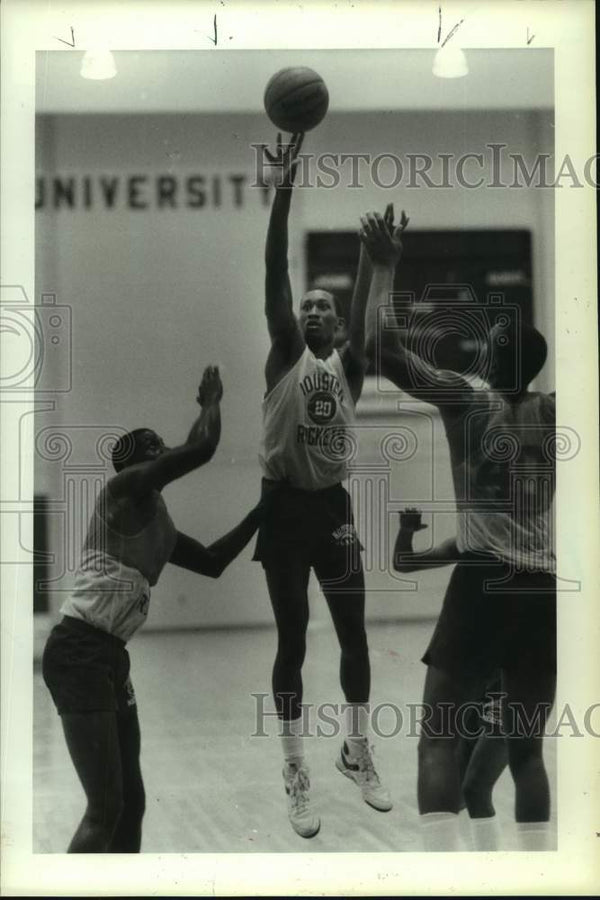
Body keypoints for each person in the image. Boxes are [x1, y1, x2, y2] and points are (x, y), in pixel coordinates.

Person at [361, 210, 556, 851]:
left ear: (494, 353)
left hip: (483, 579)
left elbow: (382, 352)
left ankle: (444, 876)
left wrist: (386, 267)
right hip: (544, 587)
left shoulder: (469, 398)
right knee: (526, 752)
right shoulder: (556, 413)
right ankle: (534, 877)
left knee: (439, 736)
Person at [42, 366, 265, 852]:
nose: (166, 451)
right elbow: (200, 449)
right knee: (103, 808)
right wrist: (211, 401)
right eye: (157, 446)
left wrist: (262, 511)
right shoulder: (122, 493)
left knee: (132, 803)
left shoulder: (159, 519)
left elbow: (211, 561)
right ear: (141, 462)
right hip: (78, 651)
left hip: (111, 656)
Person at [254, 133, 392, 838]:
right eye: (304, 305)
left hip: (332, 509)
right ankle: (295, 769)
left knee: (354, 636)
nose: (310, 311)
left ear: (335, 328)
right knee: (292, 641)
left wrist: (371, 257)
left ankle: (358, 747)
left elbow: (368, 313)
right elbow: (275, 264)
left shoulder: (349, 368)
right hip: (283, 512)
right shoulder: (283, 353)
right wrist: (283, 187)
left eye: (322, 308)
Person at [394, 508, 508, 850]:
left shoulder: (500, 548)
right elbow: (404, 561)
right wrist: (406, 532)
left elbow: (403, 563)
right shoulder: (477, 544)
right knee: (468, 788)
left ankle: (475, 871)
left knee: (469, 784)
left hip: (493, 658)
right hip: (488, 655)